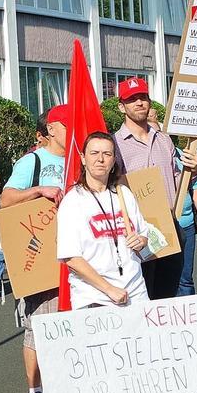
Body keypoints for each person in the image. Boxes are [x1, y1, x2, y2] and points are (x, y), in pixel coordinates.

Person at [0, 104, 71, 393]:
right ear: (52, 128)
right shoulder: (34, 161)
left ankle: (68, 383)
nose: (74, 130)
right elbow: (6, 199)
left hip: (76, 255)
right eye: (68, 125)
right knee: (39, 327)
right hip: (41, 256)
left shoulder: (80, 161)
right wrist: (40, 189)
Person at [112, 77, 197, 301]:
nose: (139, 103)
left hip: (170, 225)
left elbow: (179, 181)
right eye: (132, 99)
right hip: (134, 232)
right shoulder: (114, 145)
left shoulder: (164, 140)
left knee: (169, 296)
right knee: (139, 298)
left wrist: (194, 171)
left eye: (143, 97)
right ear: (122, 106)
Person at [57, 132, 152, 308]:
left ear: (114, 160)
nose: (100, 159)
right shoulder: (73, 202)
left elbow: (144, 236)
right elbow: (71, 258)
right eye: (94, 153)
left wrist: (140, 241)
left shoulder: (124, 194)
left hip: (136, 292)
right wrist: (109, 289)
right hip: (96, 298)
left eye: (107, 154)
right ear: (83, 158)